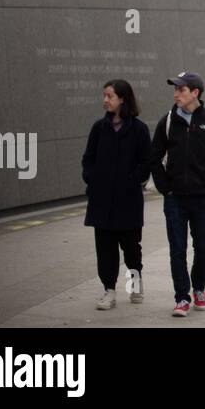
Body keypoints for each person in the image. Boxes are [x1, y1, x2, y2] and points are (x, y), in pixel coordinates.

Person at [150, 71, 205, 318]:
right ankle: (182, 297)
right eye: (175, 89)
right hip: (175, 198)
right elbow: (154, 156)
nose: (176, 94)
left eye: (181, 90)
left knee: (202, 246)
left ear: (195, 92)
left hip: (201, 198)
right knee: (177, 249)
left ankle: (199, 288)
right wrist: (165, 187)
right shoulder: (167, 121)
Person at [81, 79, 152, 310]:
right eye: (104, 95)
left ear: (122, 98)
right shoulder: (99, 128)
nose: (105, 100)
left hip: (128, 201)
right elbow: (88, 159)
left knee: (131, 249)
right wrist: (93, 180)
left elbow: (146, 162)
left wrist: (132, 181)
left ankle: (134, 286)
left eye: (109, 96)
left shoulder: (139, 129)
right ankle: (109, 291)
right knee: (105, 249)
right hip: (101, 201)